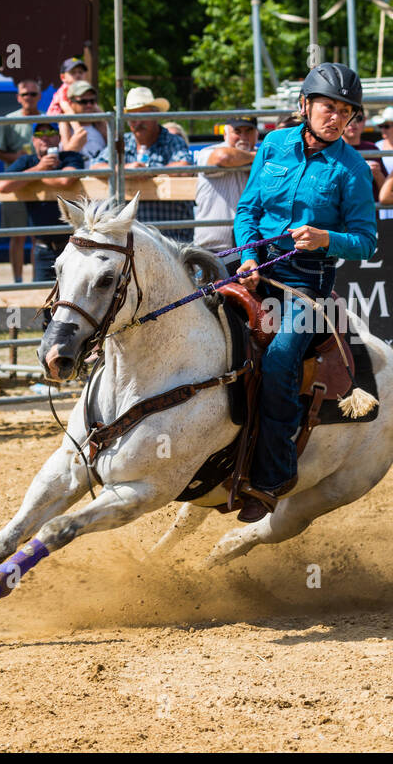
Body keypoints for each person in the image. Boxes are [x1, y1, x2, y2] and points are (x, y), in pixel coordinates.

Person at [233, 62, 376, 523]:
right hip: (257, 268)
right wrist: (248, 256)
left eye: (345, 112)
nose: (335, 118)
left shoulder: (352, 169)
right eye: (327, 107)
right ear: (305, 106)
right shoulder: (273, 145)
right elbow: (247, 209)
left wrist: (325, 239)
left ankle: (273, 475)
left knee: (278, 358)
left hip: (306, 286)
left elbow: (367, 240)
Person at [97, 85, 193, 243]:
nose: (137, 122)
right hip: (131, 242)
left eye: (143, 114)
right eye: (132, 117)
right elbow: (95, 168)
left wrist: (150, 171)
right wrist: (124, 170)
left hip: (171, 240)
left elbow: (185, 168)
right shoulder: (122, 142)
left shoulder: (171, 140)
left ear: (155, 115)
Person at [0, 122, 85, 283]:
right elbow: (3, 186)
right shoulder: (28, 161)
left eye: (50, 132)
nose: (44, 137)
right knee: (43, 301)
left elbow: (66, 180)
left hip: (72, 245)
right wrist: (39, 169)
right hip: (42, 248)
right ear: (33, 140)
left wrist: (33, 177)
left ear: (59, 138)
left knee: (74, 300)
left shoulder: (70, 156)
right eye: (38, 134)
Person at [0, 78, 43, 283]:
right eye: (24, 94)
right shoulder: (9, 120)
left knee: (38, 236)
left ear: (39, 96)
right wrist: (19, 158)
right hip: (16, 184)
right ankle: (18, 279)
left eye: (32, 94)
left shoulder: (47, 119)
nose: (28, 98)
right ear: (18, 98)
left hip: (41, 184)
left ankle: (36, 280)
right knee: (18, 235)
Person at [193, 115, 258, 265]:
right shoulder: (209, 152)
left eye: (248, 131)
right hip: (212, 249)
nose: (243, 137)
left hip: (249, 249)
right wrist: (254, 158)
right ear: (225, 134)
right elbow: (223, 157)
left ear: (256, 134)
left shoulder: (262, 157)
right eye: (237, 131)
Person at [58, 80, 108, 164]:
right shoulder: (63, 127)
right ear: (70, 103)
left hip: (100, 175)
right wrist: (68, 112)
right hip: (77, 176)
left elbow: (116, 143)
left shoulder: (100, 126)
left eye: (92, 101)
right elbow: (64, 159)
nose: (89, 105)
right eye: (83, 102)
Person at [343, 113, 387, 197]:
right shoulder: (332, 149)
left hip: (368, 208)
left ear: (364, 120)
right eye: (348, 117)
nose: (353, 123)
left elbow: (386, 192)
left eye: (358, 118)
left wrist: (377, 174)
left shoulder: (372, 149)